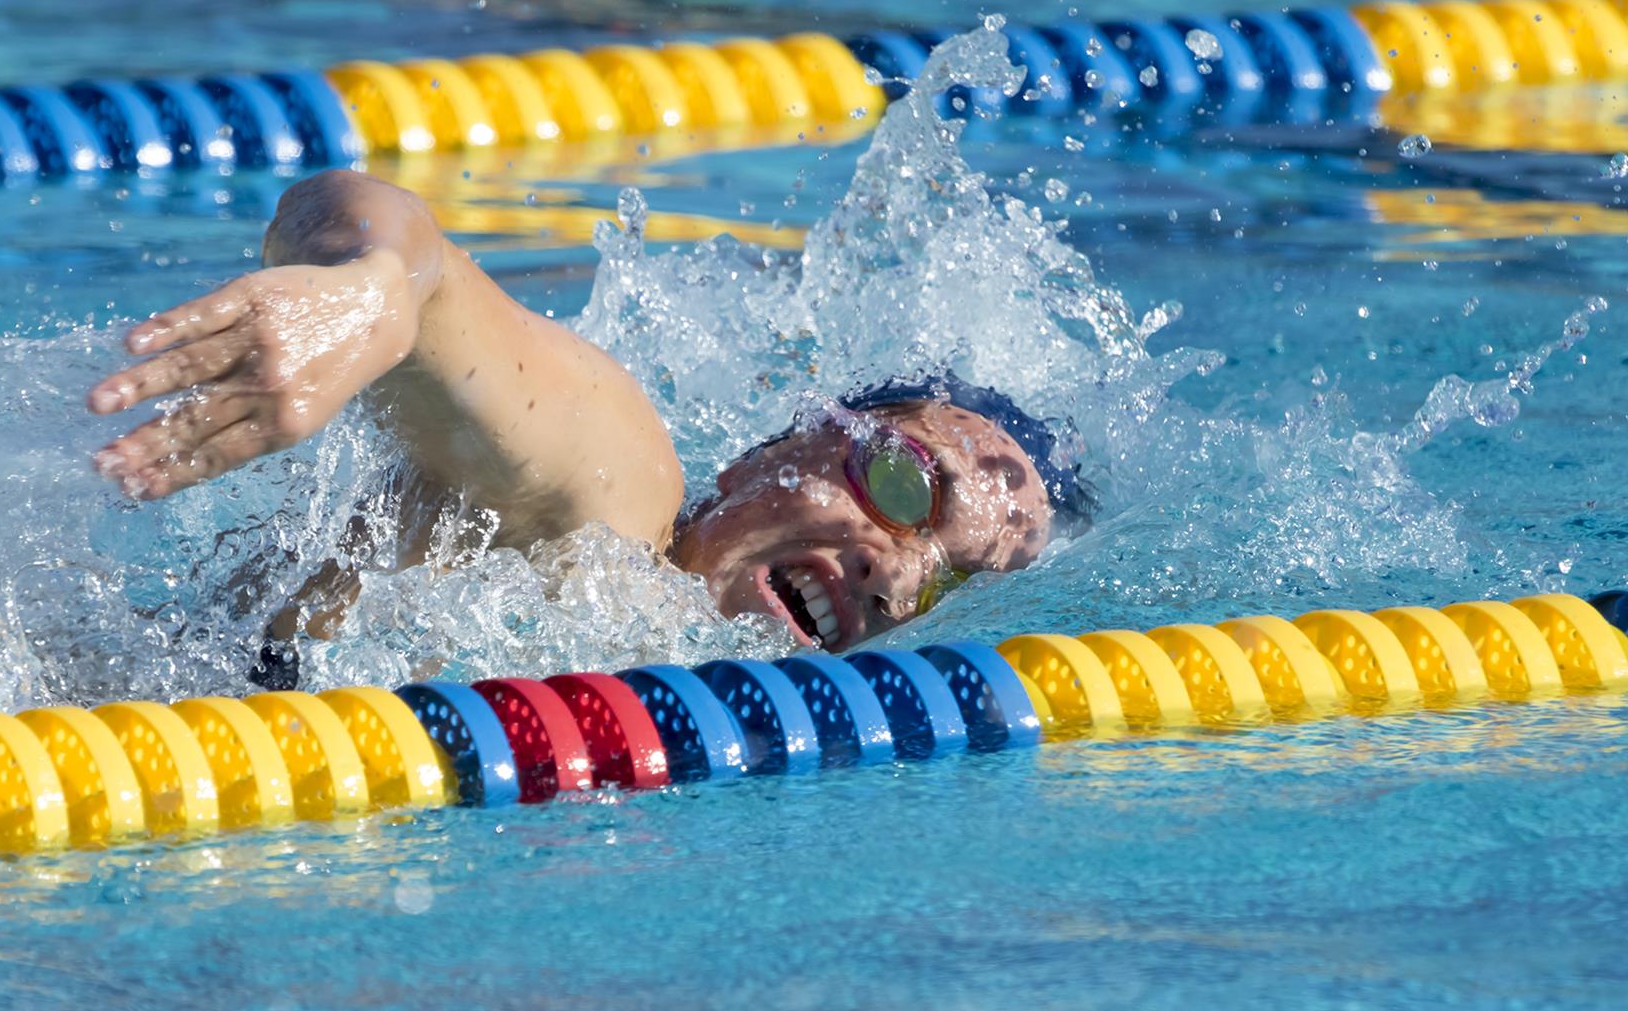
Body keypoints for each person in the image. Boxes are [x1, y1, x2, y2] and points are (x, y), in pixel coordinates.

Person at [86, 170, 1094, 681]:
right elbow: (385, 229)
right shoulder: (620, 495)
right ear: (779, 446)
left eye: (949, 577)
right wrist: (376, 290)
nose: (896, 573)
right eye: (909, 488)